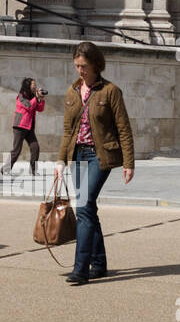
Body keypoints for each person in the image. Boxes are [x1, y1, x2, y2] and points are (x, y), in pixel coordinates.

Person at [54, 41, 135, 284]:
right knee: (88, 210)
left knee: (84, 207)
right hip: (77, 154)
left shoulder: (111, 91)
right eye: (77, 66)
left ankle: (81, 269)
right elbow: (68, 130)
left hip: (101, 156)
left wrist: (129, 162)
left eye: (84, 66)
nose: (80, 70)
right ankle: (98, 264)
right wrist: (60, 160)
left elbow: (124, 128)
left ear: (96, 65)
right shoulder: (72, 92)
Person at [4, 77, 46, 175]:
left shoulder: (33, 97)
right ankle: (5, 169)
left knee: (35, 147)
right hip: (20, 126)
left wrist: (41, 99)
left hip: (29, 127)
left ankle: (33, 170)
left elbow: (40, 109)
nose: (35, 86)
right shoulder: (21, 96)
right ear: (28, 86)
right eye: (33, 84)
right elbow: (29, 106)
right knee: (16, 150)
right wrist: (36, 98)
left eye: (35, 84)